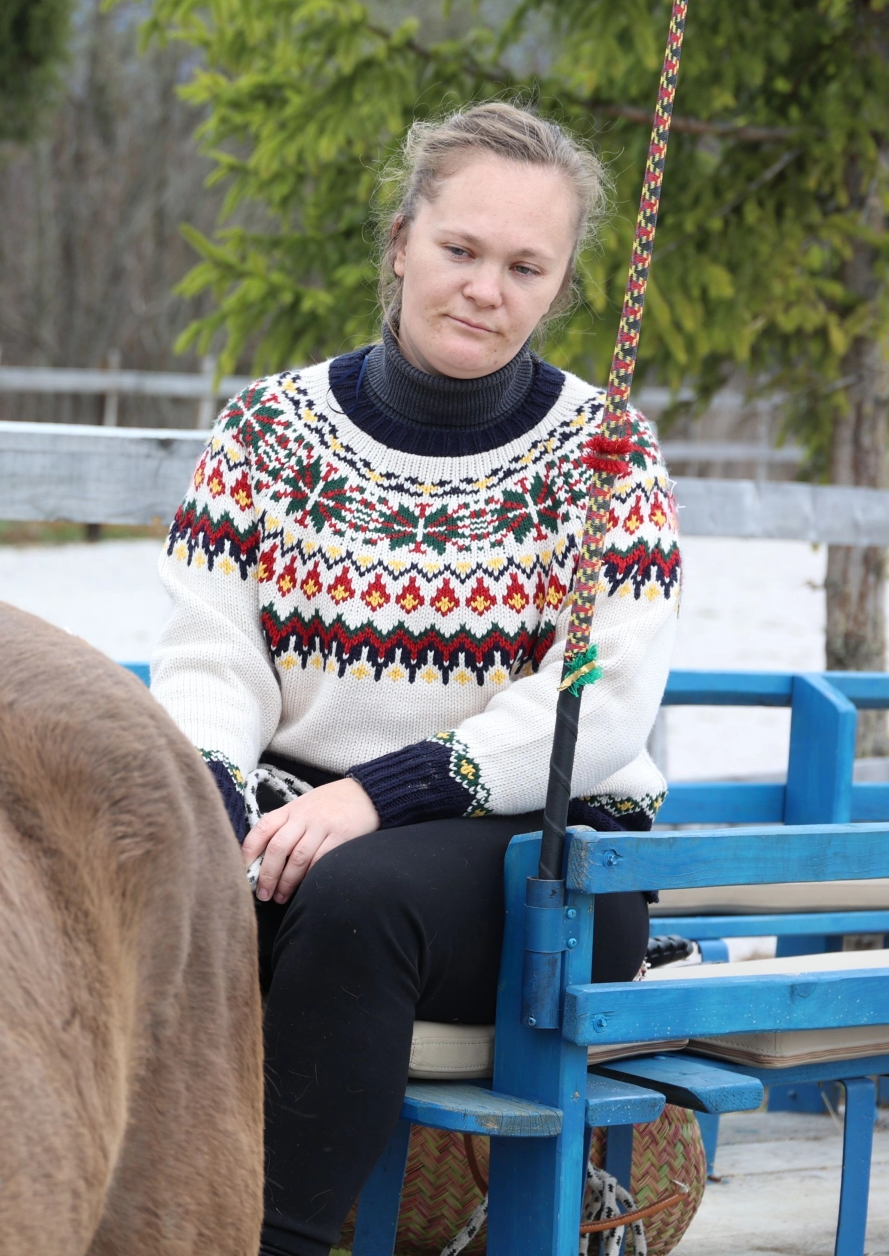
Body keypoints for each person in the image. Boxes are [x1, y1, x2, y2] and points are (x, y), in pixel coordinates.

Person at [150, 101, 681, 1256]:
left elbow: (593, 708)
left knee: (354, 897)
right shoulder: (266, 431)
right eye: (459, 250)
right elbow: (210, 657)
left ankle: (274, 1239)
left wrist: (375, 796)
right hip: (293, 830)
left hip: (546, 854)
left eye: (523, 266)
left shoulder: (607, 458)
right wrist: (214, 803)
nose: (484, 287)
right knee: (164, 885)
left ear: (556, 287)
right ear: (400, 241)